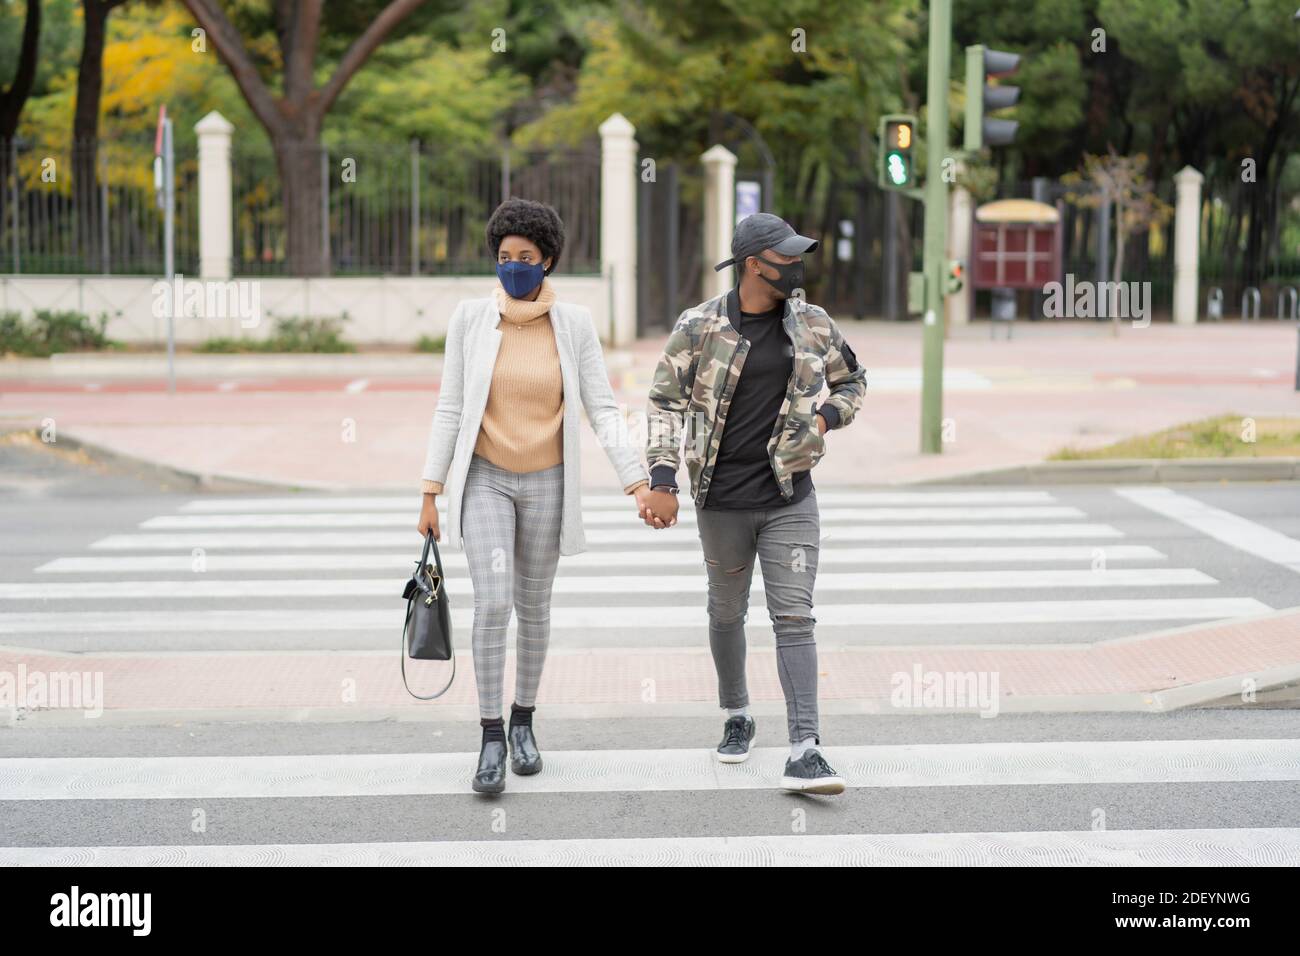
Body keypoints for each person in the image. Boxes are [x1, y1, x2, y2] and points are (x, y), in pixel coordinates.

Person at [418, 197, 655, 794]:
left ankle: (525, 720)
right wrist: (430, 489)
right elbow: (450, 406)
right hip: (486, 479)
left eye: (526, 257)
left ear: (547, 260)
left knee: (535, 606)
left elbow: (601, 406)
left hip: (548, 479)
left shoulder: (572, 325)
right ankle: (491, 734)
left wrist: (636, 478)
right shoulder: (470, 320)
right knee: (494, 603)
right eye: (504, 257)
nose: (513, 267)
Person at [641, 213, 867, 794]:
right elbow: (664, 401)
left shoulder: (812, 323)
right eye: (785, 259)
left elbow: (853, 382)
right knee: (726, 611)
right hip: (721, 499)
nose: (796, 267)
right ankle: (737, 714)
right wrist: (662, 480)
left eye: (797, 257)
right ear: (753, 265)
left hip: (791, 495)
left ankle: (806, 747)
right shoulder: (700, 326)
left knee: (794, 616)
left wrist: (822, 418)